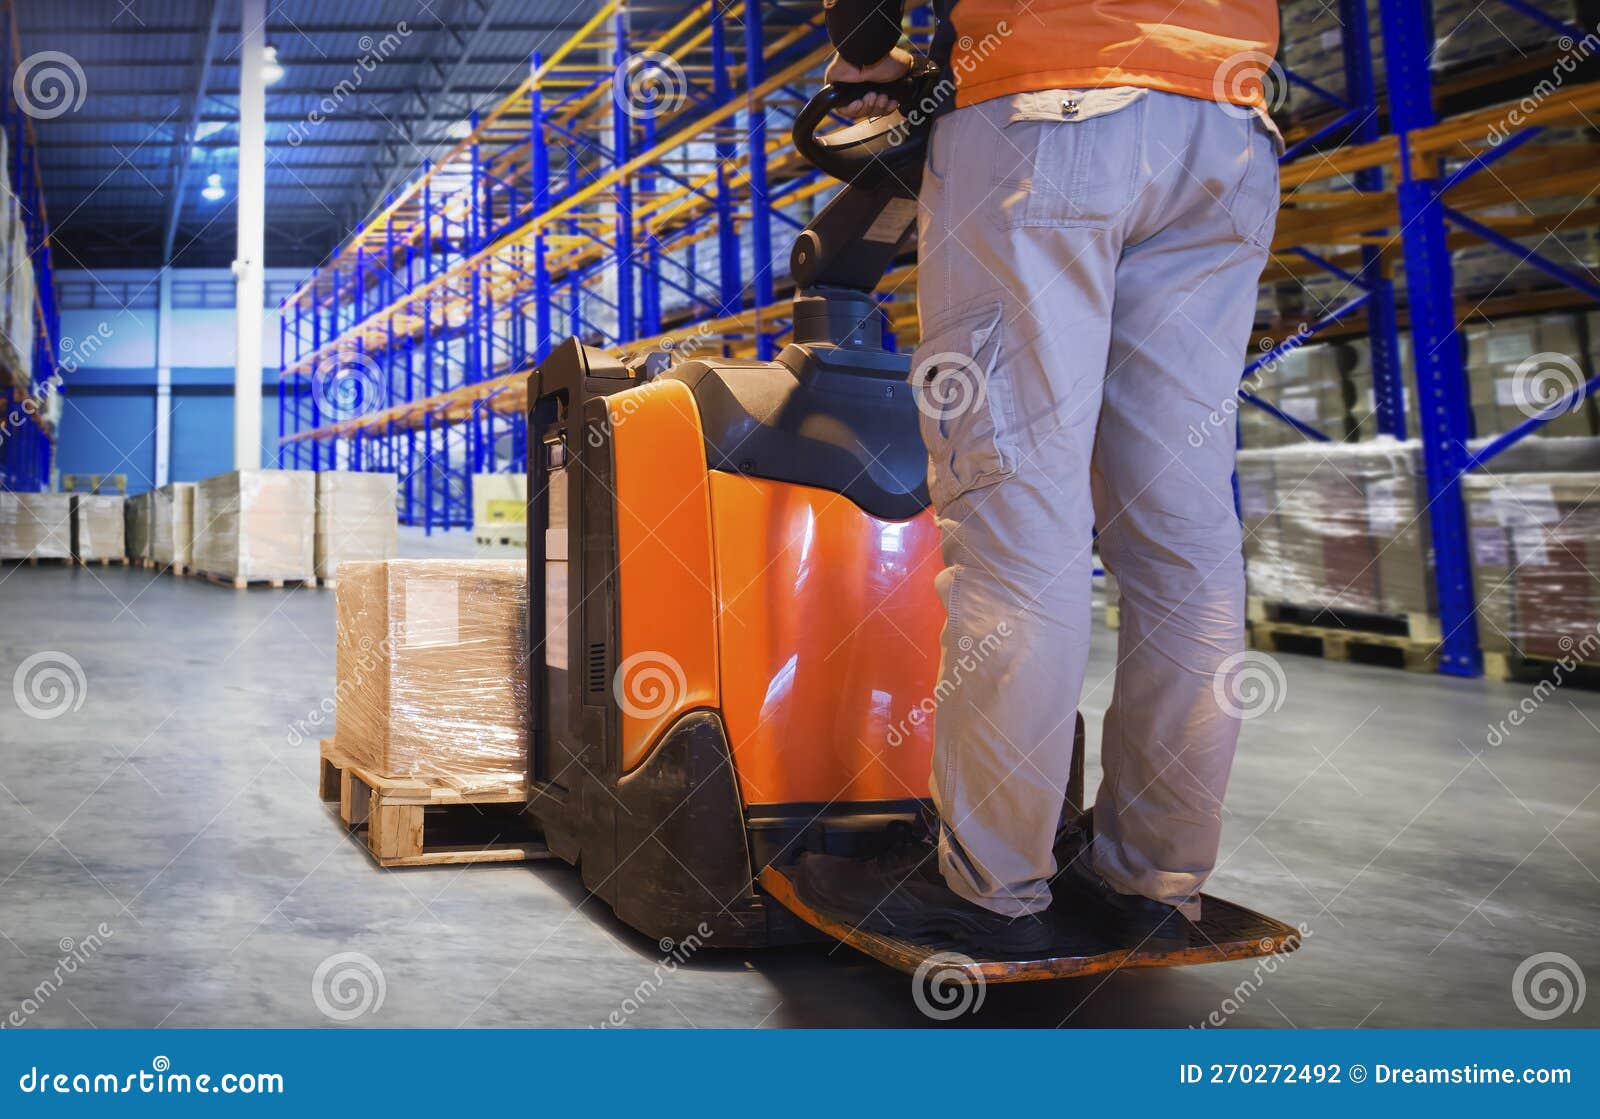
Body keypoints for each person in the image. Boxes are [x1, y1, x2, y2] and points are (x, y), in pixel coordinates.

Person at [795, 0, 1283, 956]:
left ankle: (992, 888)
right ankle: (1153, 882)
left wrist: (867, 50)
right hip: (1228, 127)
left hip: (1049, 108)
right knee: (1180, 530)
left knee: (1017, 515)